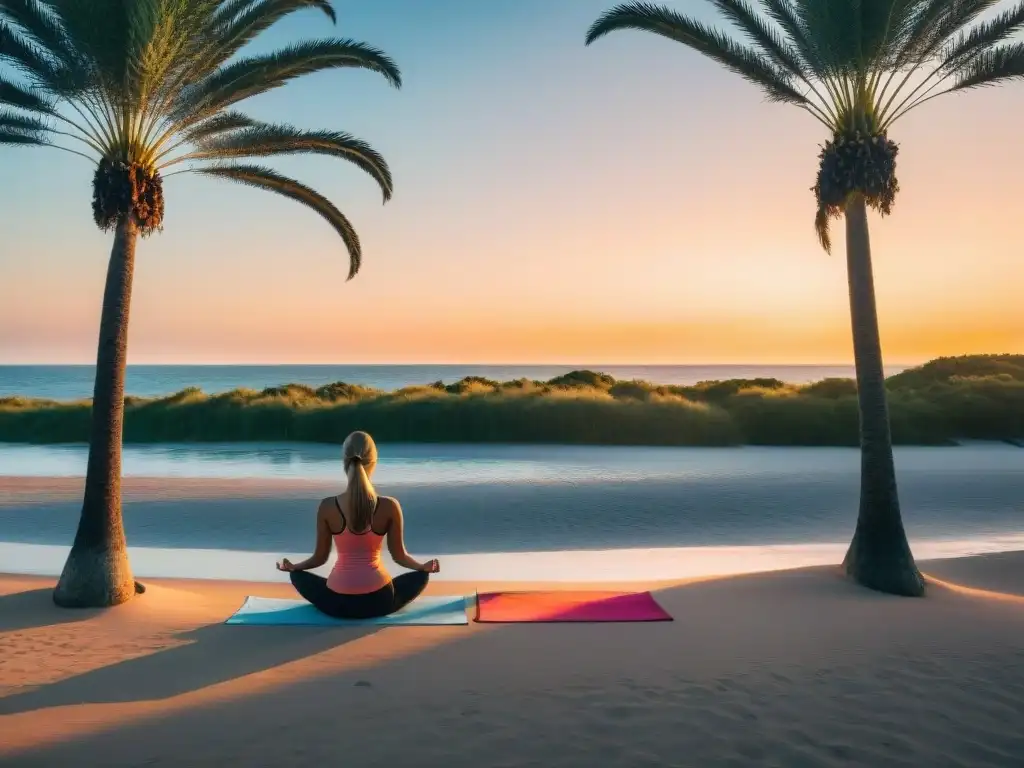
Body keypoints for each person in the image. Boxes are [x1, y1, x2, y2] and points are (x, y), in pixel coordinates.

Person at [277, 430, 440, 619]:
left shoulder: (328, 506)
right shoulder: (389, 506)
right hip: (379, 601)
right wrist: (423, 567)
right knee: (420, 576)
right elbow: (400, 556)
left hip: (337, 603)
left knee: (298, 576)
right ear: (373, 461)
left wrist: (294, 567)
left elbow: (319, 558)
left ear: (344, 462)